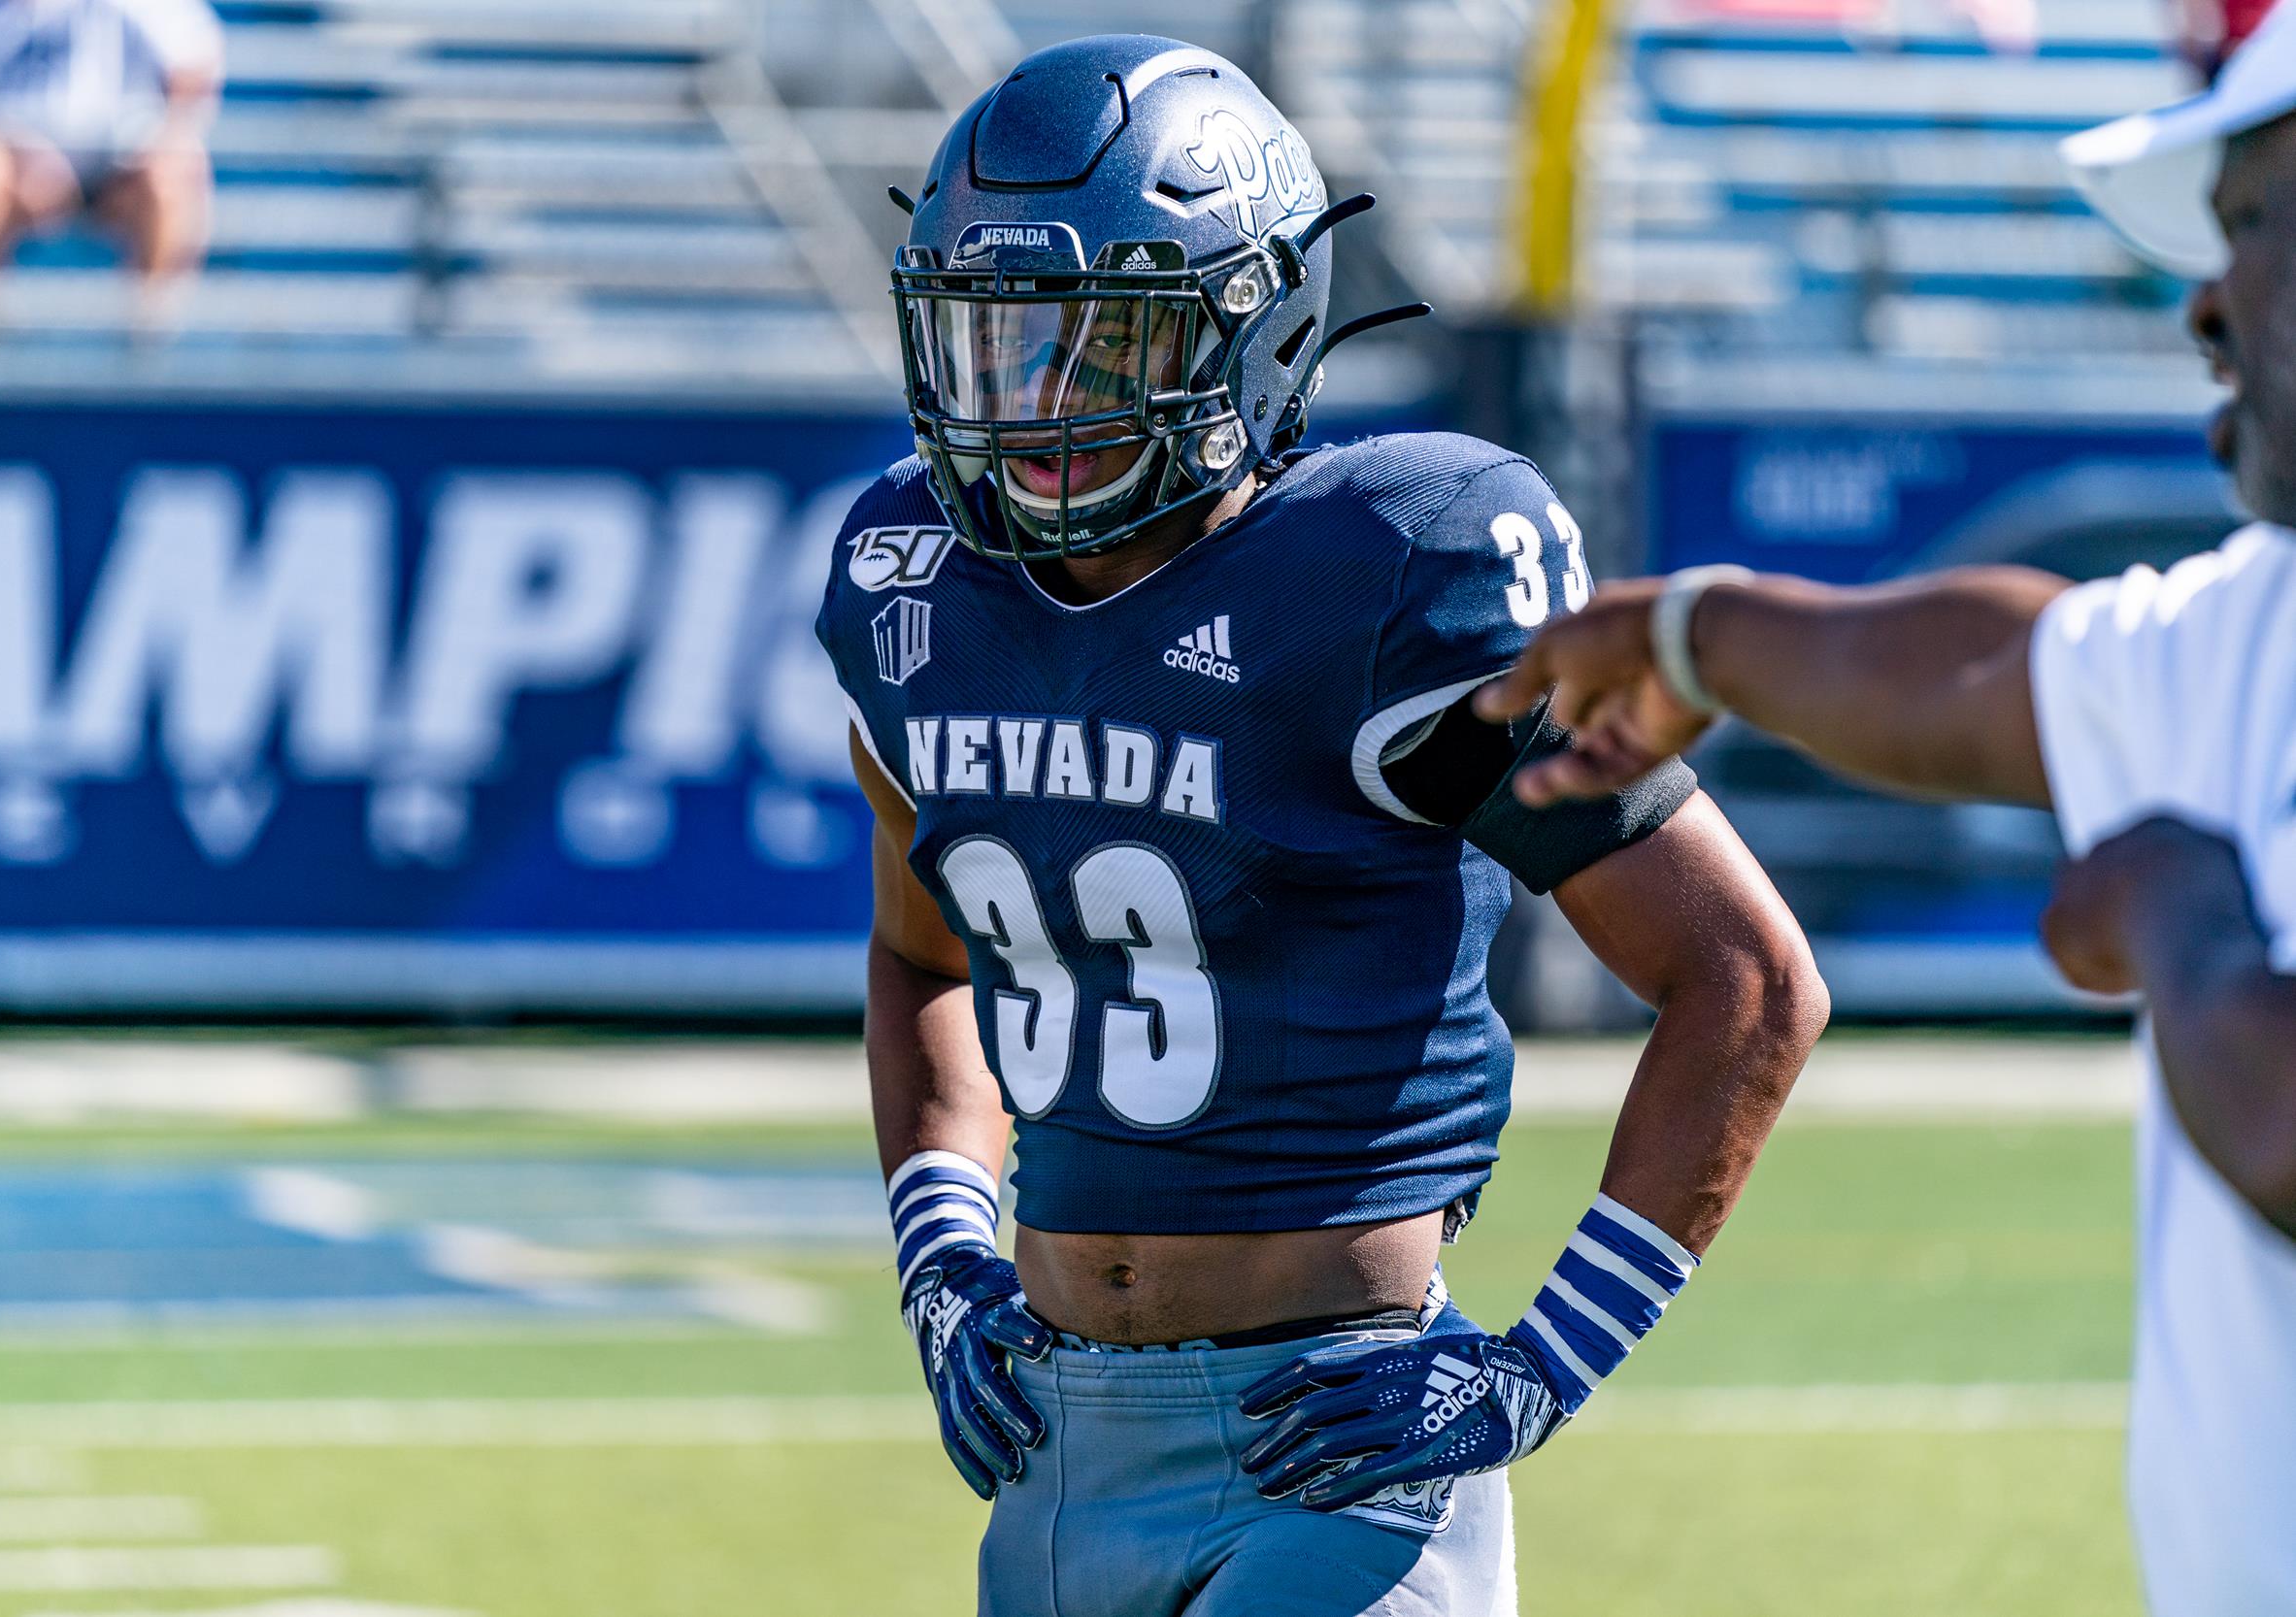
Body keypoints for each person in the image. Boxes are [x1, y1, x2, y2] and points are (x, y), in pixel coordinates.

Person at [816, 34, 1829, 1616]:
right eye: (995, 344)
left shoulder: (1391, 564)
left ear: (1252, 330)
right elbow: (919, 958)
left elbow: (1747, 979)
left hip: (1338, 1444)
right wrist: (943, 1259)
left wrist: (1541, 1365)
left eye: (1102, 348)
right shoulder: (910, 583)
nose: (1033, 406)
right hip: (1055, 1450)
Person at [1471, 13, 2296, 1613]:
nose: (2204, 297)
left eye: (2253, 224)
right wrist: (1697, 632)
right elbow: (1993, 665)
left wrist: (2173, 899)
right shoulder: (2257, 608)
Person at [0, 0, 222, 289]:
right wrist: (19, 149)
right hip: (16, 163)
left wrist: (160, 131)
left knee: (173, 166)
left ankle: (150, 331)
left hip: (122, 165)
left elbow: (194, 66)